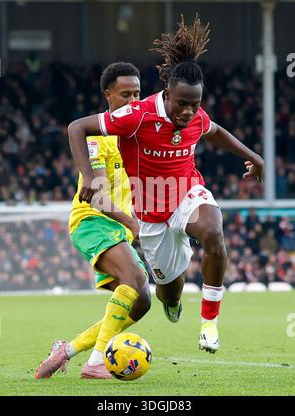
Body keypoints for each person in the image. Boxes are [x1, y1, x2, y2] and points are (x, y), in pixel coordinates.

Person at [67, 15, 264, 354]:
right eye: (183, 104)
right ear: (168, 94)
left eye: (195, 105)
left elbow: (214, 131)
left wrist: (252, 156)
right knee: (168, 293)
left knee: (213, 230)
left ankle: (209, 323)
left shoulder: (195, 114)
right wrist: (87, 174)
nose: (189, 112)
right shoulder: (137, 115)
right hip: (151, 211)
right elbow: (76, 128)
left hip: (186, 192)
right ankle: (173, 303)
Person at [35, 62, 151, 380]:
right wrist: (133, 223)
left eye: (138, 94)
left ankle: (66, 350)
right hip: (92, 221)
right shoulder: (97, 136)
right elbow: (98, 196)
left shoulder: (138, 137)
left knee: (142, 303)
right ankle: (97, 362)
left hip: (119, 228)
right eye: (125, 94)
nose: (132, 101)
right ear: (107, 95)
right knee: (133, 279)